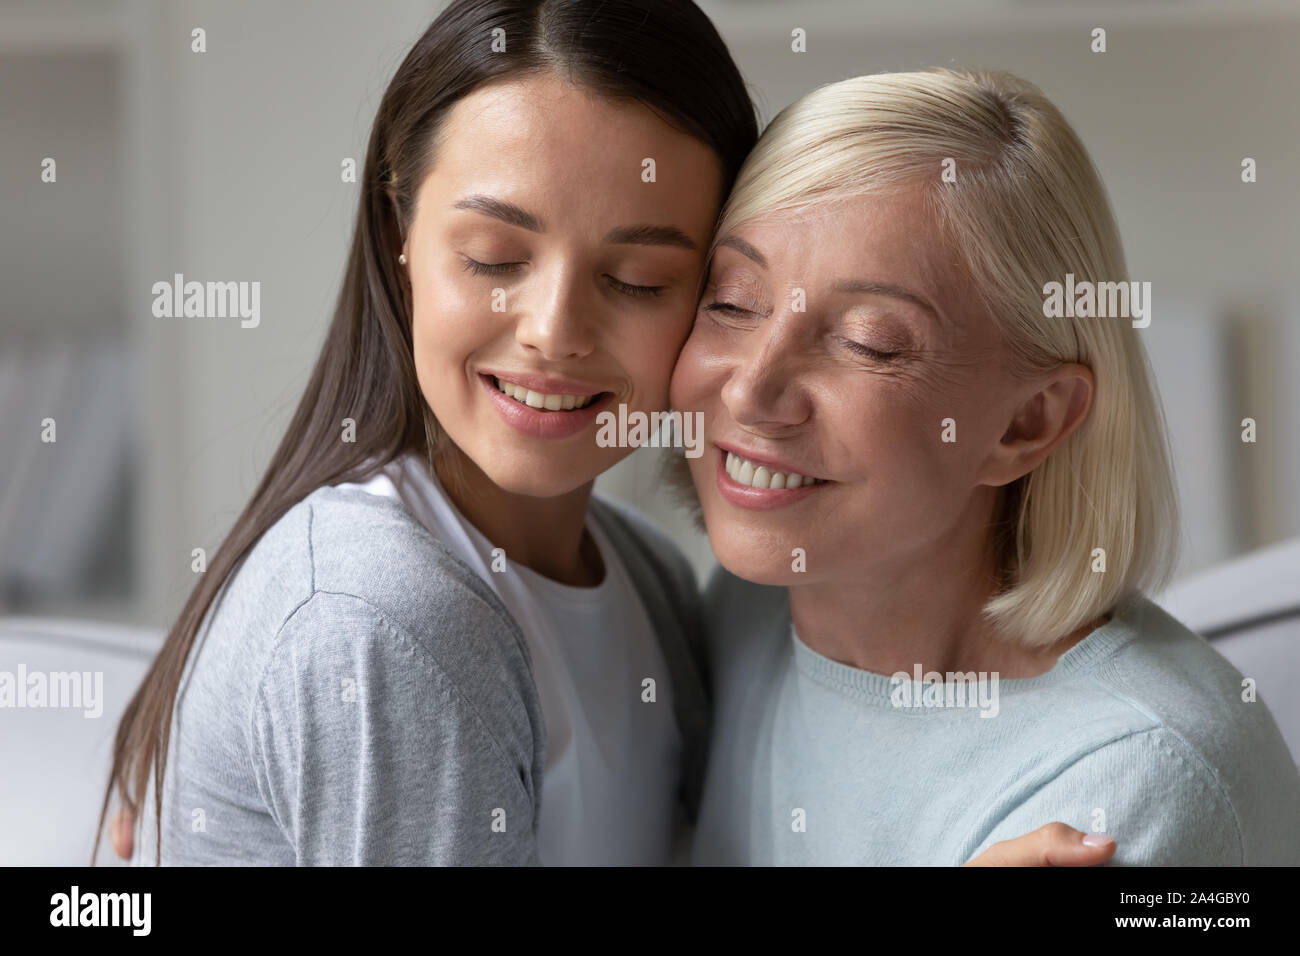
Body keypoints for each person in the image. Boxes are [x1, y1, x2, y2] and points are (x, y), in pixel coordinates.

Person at [101, 3, 1116, 868]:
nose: (552, 331)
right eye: (494, 255)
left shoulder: (649, 580)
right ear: (400, 236)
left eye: (638, 280)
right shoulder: (382, 617)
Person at [671, 67, 1300, 865]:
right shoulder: (749, 616)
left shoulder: (1143, 785)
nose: (754, 390)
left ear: (1026, 424)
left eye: (869, 341)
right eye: (731, 301)